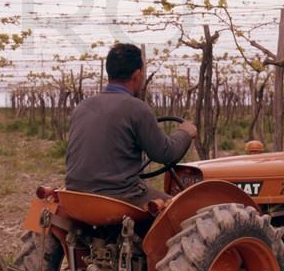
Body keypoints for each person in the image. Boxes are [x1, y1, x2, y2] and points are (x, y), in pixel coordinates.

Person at [64, 43, 198, 206]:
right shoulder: (137, 108)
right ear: (137, 75)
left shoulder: (82, 107)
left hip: (74, 195)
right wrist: (184, 133)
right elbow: (165, 153)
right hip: (118, 197)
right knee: (183, 208)